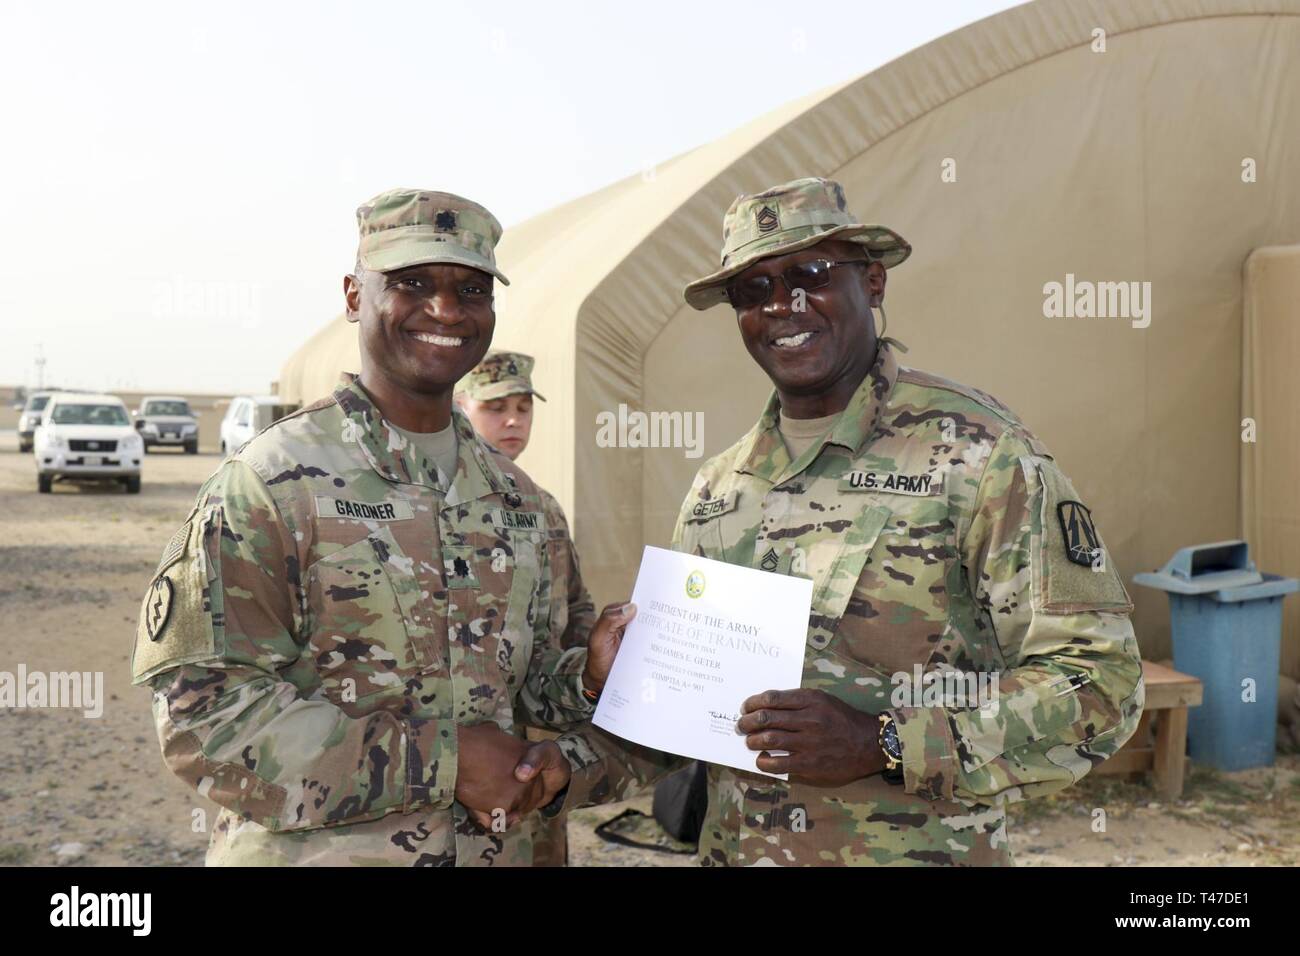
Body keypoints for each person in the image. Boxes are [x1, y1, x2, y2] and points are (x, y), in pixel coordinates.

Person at [130, 188, 666, 865]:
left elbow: (531, 688)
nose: (445, 310)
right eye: (413, 283)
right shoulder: (270, 484)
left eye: (471, 290)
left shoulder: (527, 506)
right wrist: (441, 762)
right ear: (355, 296)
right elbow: (202, 718)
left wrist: (588, 676)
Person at [672, 176, 1145, 865]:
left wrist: (885, 742)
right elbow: (685, 703)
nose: (784, 304)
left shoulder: (980, 454)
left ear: (872, 282)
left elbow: (1101, 682)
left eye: (809, 272)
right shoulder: (718, 486)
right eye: (753, 289)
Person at [456, 351, 594, 865]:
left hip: (543, 736)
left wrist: (586, 685)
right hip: (479, 744)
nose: (513, 420)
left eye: (522, 407)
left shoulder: (541, 505)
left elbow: (577, 603)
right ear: (462, 405)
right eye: (495, 408)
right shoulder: (441, 505)